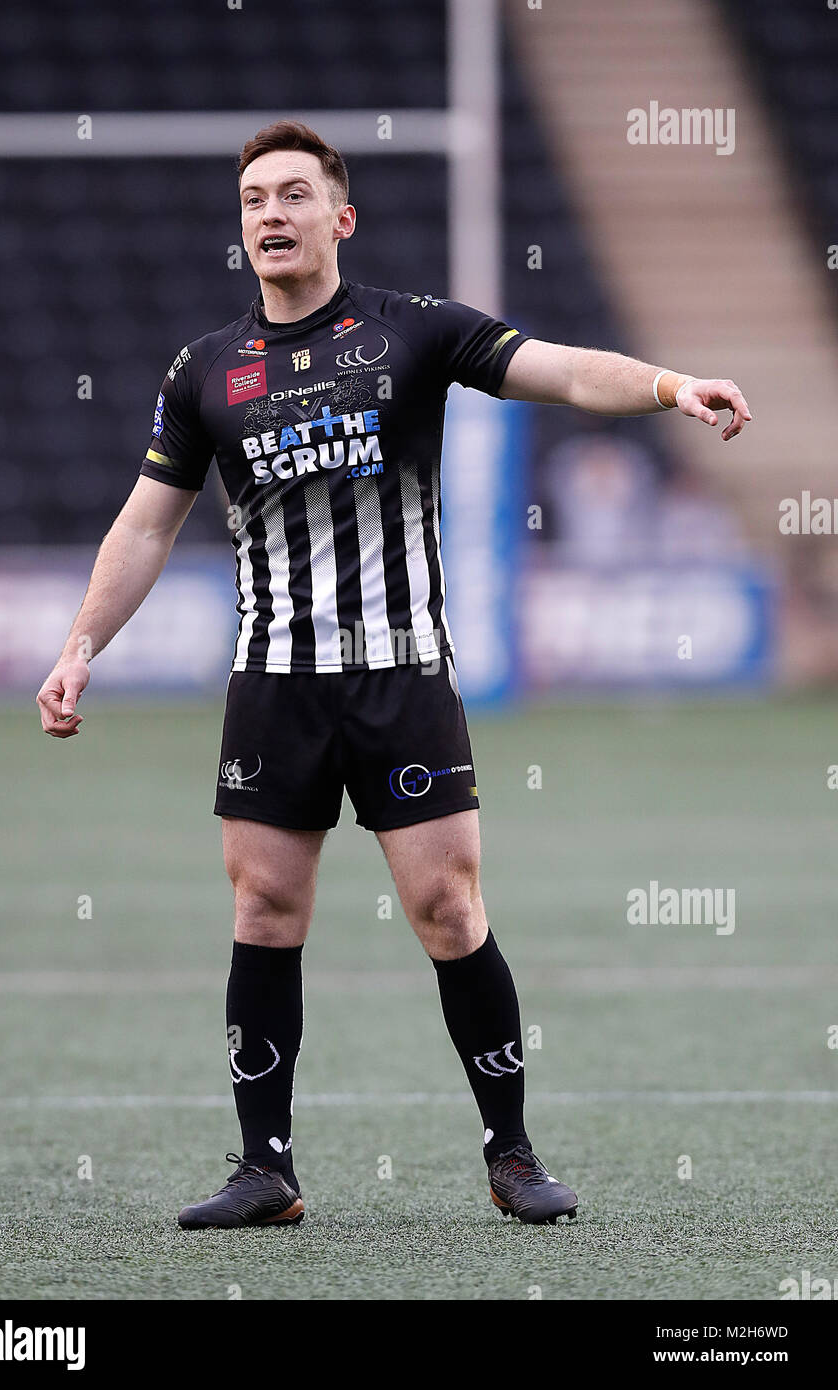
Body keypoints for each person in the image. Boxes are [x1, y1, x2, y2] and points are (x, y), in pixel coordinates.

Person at [36, 121, 752, 1230]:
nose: (270, 214)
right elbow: (145, 526)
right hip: (274, 682)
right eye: (253, 201)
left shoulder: (410, 332)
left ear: (340, 218)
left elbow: (554, 369)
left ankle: (510, 1153)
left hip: (400, 677)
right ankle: (264, 1167)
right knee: (265, 906)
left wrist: (667, 385)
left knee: (446, 905)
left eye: (292, 196)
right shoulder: (203, 369)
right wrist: (82, 644)